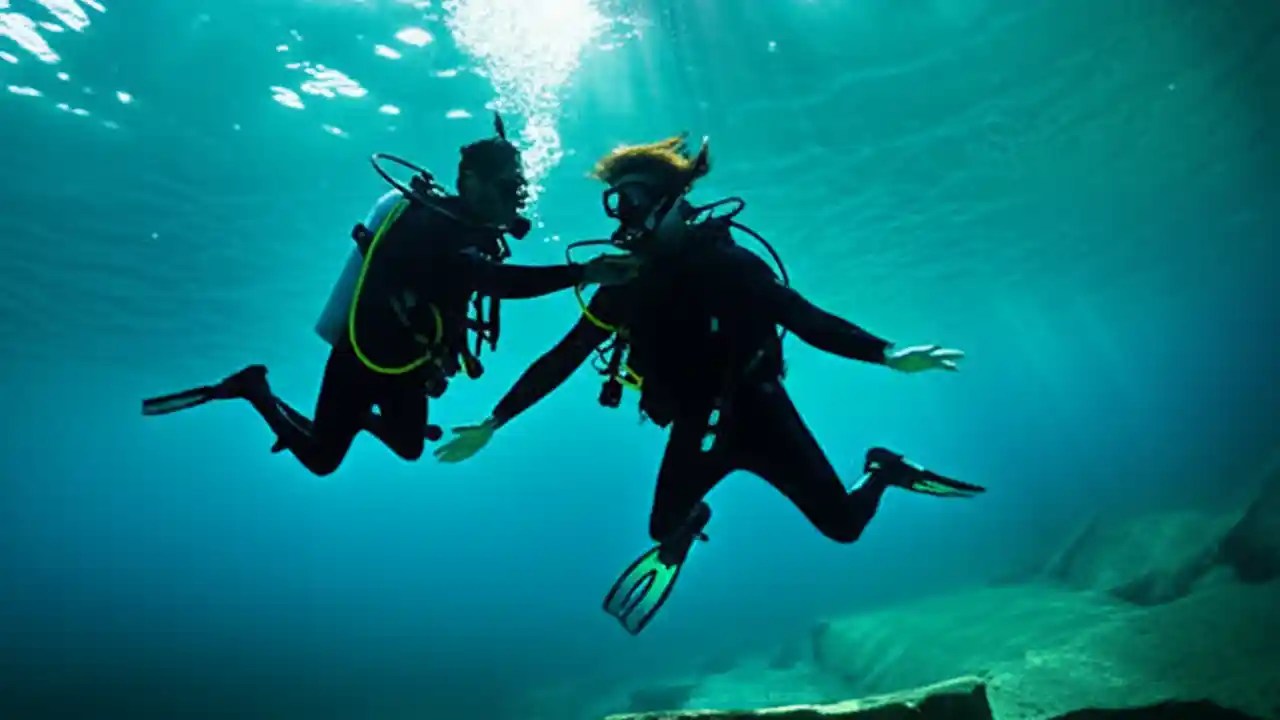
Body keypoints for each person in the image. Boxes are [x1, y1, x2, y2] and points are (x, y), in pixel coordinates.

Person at [433, 135, 985, 634]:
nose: (623, 215)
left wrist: (886, 354)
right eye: (616, 202)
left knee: (843, 527)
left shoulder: (730, 266)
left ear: (672, 200)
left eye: (634, 199)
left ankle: (882, 470)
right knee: (662, 527)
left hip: (761, 411)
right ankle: (691, 520)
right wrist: (494, 421)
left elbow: (806, 319)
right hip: (696, 423)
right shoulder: (625, 282)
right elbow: (566, 355)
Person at [141, 114, 637, 477]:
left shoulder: (467, 229)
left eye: (518, 191)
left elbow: (482, 280)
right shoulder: (429, 228)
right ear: (469, 181)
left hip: (407, 362)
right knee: (321, 460)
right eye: (504, 188)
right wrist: (586, 271)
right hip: (362, 356)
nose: (512, 201)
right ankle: (255, 389)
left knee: (407, 447)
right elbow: (496, 284)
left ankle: (349, 418)